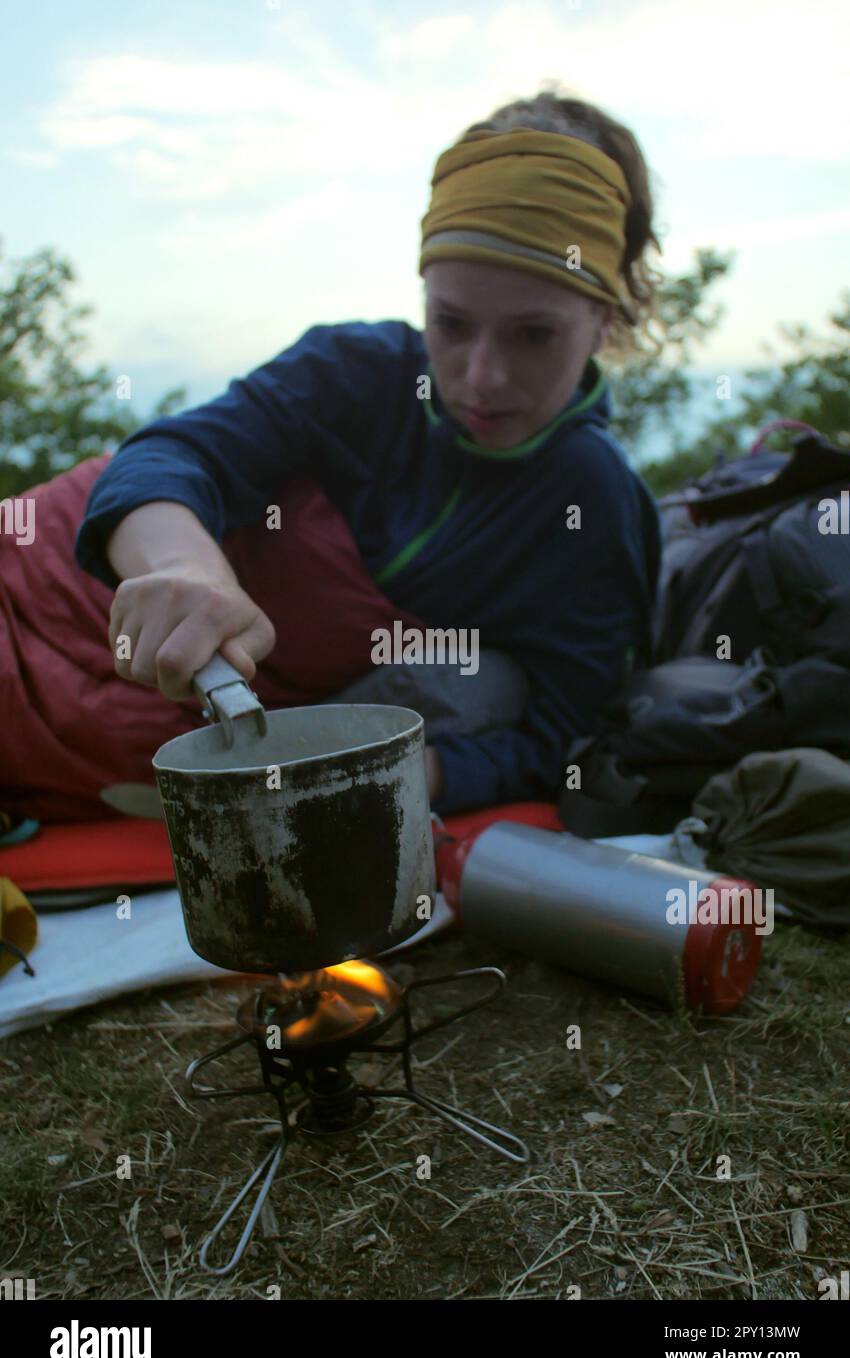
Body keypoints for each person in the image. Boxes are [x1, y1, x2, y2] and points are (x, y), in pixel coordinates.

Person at [7, 89, 664, 823]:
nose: (481, 378)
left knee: (485, 683)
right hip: (53, 585)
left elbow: (565, 727)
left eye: (533, 334)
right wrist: (188, 571)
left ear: (604, 318)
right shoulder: (357, 371)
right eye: (451, 323)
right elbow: (171, 454)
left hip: (208, 708)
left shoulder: (591, 499)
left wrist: (409, 773)